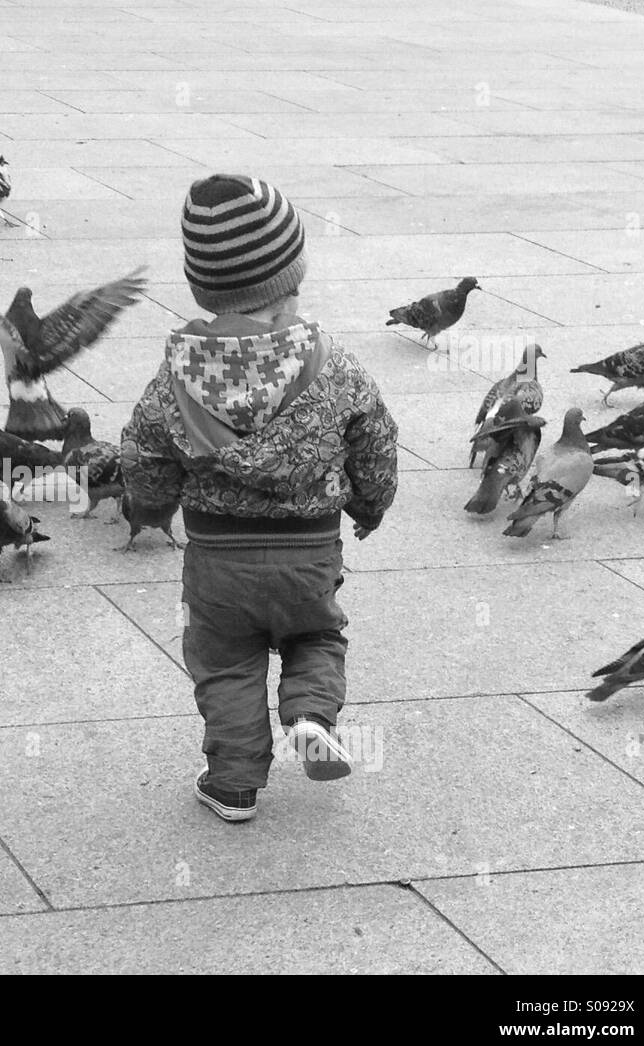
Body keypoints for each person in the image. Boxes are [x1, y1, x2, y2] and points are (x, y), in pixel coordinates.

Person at [120, 174, 398, 823]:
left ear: (204, 289)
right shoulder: (338, 366)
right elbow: (375, 441)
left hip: (218, 561)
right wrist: (370, 505)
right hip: (309, 553)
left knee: (226, 664)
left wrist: (156, 506)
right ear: (289, 287)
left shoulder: (177, 376)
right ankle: (309, 714)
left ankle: (234, 783)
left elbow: (143, 456)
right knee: (318, 636)